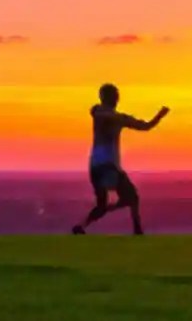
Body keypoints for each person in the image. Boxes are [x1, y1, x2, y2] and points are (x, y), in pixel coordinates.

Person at [72, 83, 169, 235]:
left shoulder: (108, 115)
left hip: (97, 166)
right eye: (114, 96)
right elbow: (103, 115)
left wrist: (159, 116)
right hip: (107, 166)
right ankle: (137, 230)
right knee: (131, 197)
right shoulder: (103, 113)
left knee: (105, 205)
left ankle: (81, 226)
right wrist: (124, 118)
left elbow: (146, 126)